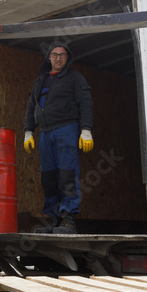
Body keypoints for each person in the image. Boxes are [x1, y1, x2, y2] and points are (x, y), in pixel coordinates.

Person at [23, 43, 94, 234]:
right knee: (48, 178)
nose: (58, 58)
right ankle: (53, 220)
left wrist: (86, 130)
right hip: (45, 132)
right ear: (49, 57)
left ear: (67, 58)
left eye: (62, 55)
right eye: (54, 55)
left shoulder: (75, 78)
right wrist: (28, 131)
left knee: (67, 175)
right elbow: (32, 106)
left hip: (66, 129)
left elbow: (85, 103)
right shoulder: (41, 80)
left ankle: (69, 220)